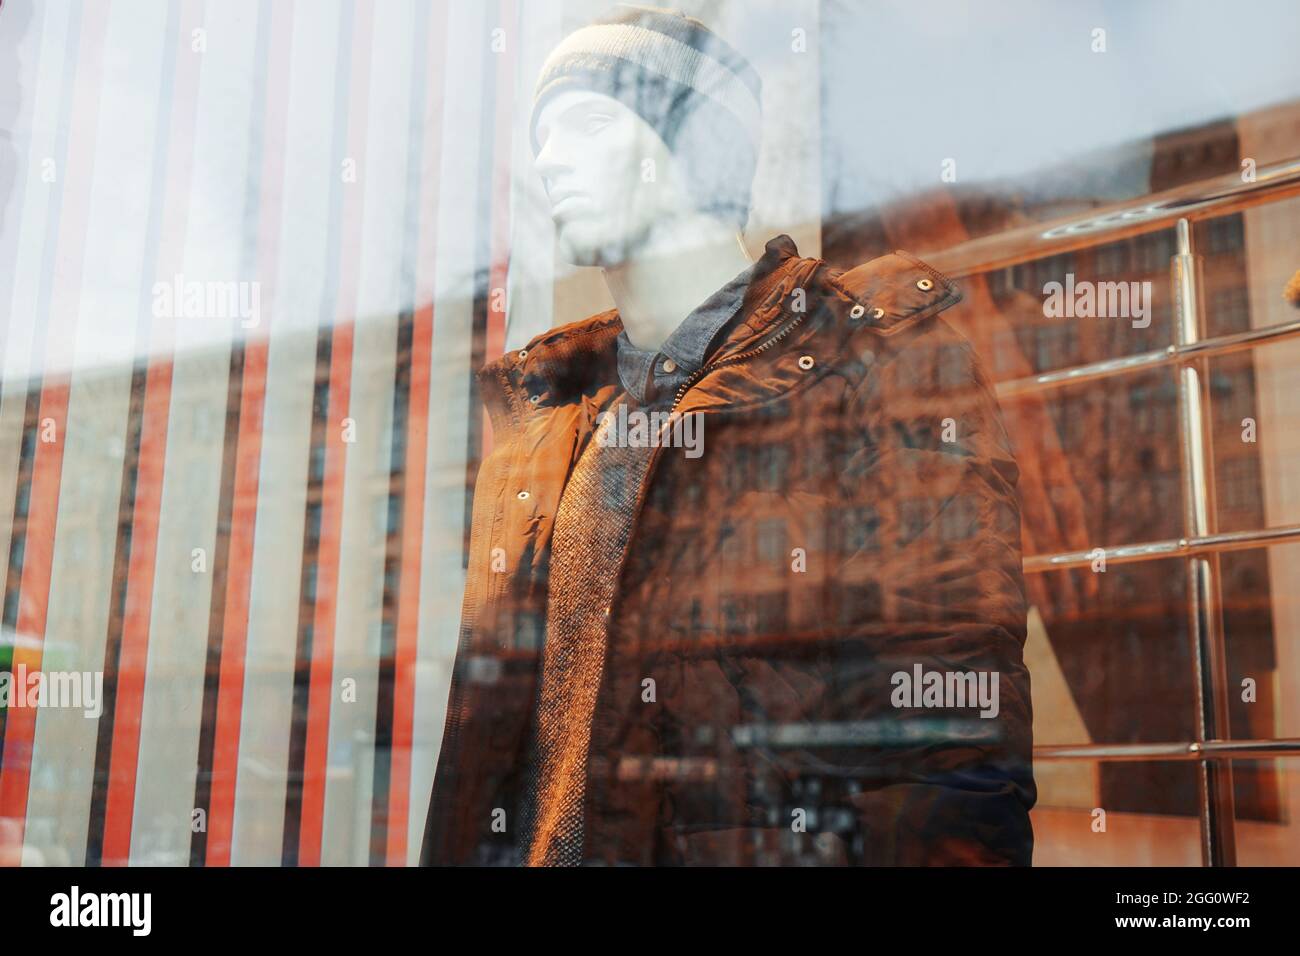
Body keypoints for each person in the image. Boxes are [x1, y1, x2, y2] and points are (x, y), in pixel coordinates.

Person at [421, 3, 1035, 866]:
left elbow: (952, 744)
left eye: (589, 122)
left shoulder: (874, 356)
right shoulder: (547, 416)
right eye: (539, 136)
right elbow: (494, 758)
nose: (547, 160)